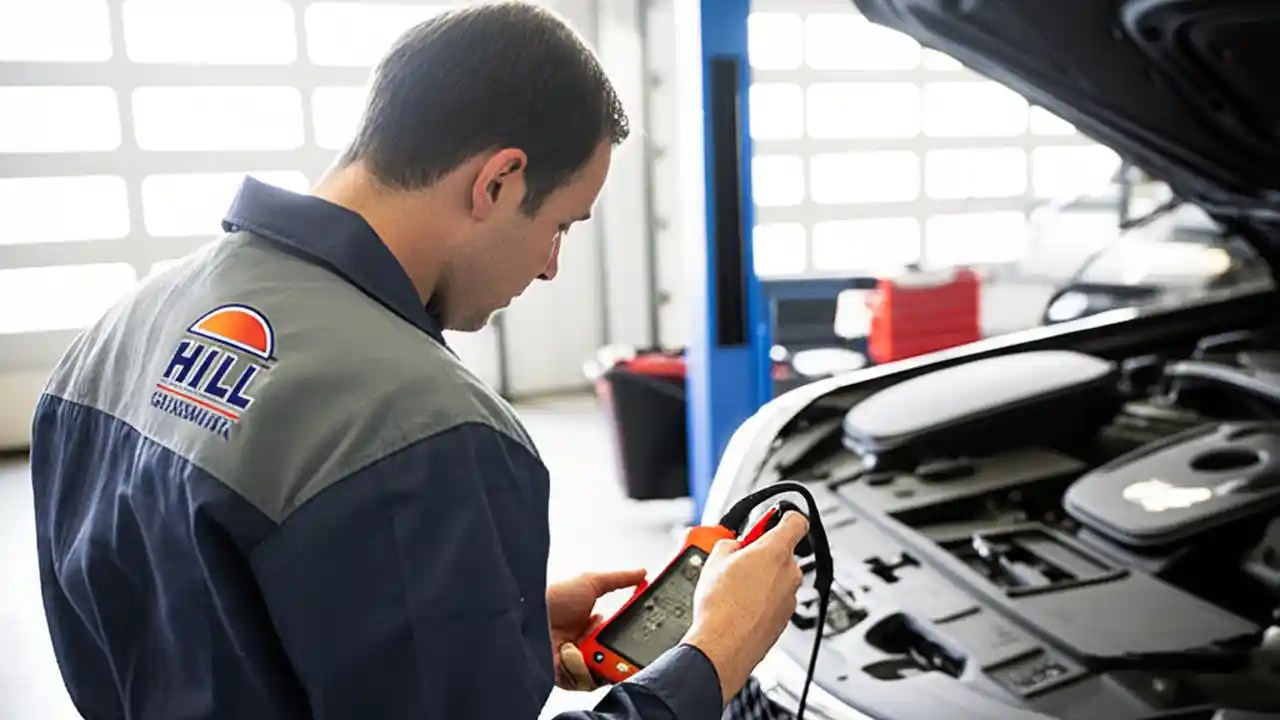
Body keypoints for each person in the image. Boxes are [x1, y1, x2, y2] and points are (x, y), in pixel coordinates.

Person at [29, 3, 807, 719]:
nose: (549, 268)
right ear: (497, 182)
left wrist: (488, 634)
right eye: (563, 225)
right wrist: (714, 657)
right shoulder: (428, 432)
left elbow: (206, 635)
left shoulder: (113, 337)